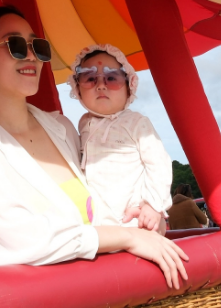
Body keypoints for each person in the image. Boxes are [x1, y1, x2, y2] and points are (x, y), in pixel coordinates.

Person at [0, 6, 188, 288]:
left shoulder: (64, 129)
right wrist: (129, 237)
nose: (32, 55)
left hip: (102, 294)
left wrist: (148, 215)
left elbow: (102, 198)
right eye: (16, 45)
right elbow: (26, 240)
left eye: (37, 45)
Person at [67, 44, 172, 232]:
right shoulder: (84, 124)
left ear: (129, 85)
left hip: (135, 215)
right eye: (90, 78)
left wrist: (153, 204)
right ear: (77, 88)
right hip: (99, 220)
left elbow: (159, 165)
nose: (100, 85)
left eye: (112, 78)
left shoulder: (137, 123)